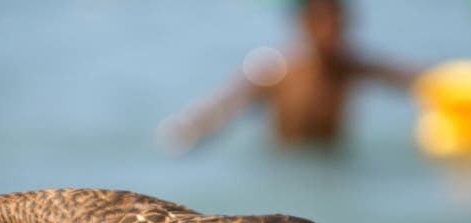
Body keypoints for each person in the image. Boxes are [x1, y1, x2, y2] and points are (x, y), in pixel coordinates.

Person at [159, 0, 418, 152]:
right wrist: (186, 132)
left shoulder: (349, 67)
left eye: (339, 23)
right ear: (305, 23)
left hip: (331, 160)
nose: (332, 31)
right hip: (287, 160)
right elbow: (222, 107)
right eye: (324, 22)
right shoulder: (276, 72)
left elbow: (410, 78)